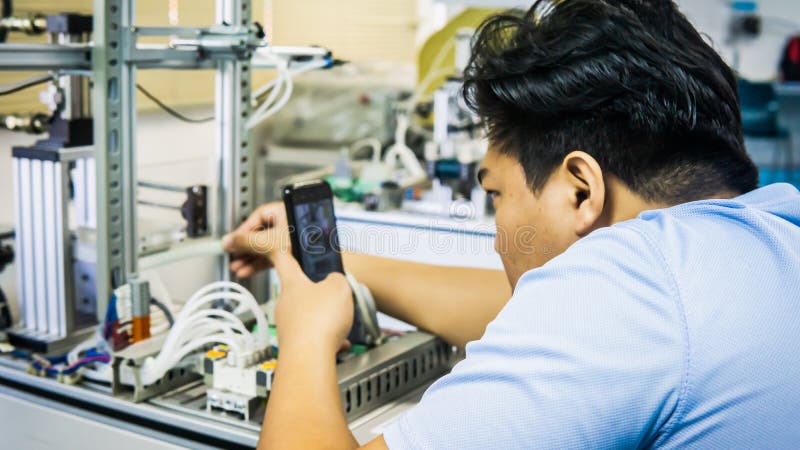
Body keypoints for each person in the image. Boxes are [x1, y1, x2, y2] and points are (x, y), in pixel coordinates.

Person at [223, 0, 800, 448]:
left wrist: (304, 333)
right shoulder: (766, 235)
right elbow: (511, 310)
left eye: (494, 193)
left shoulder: (628, 289)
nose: (499, 228)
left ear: (581, 189)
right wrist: (327, 261)